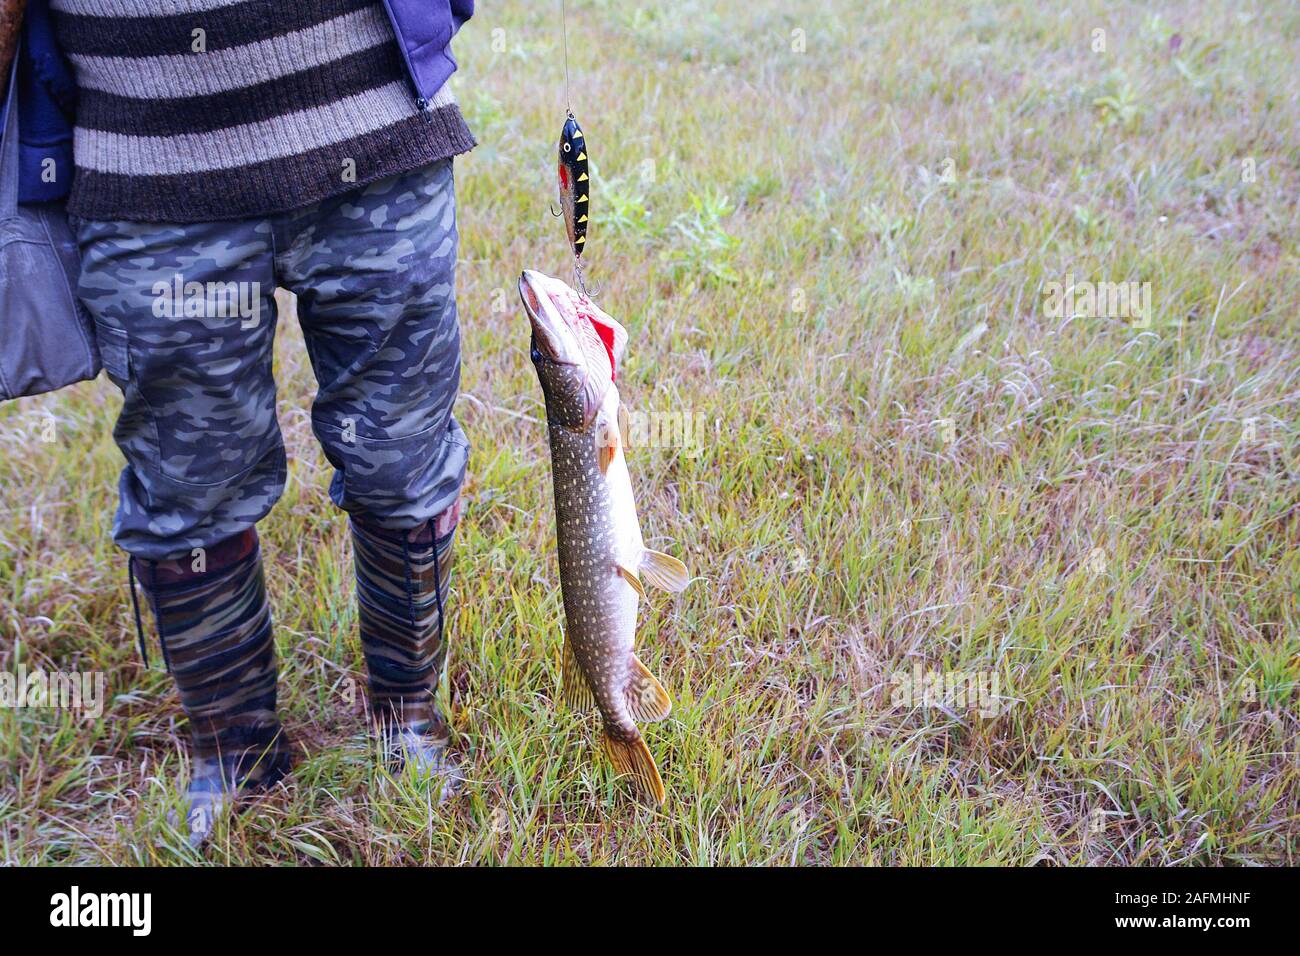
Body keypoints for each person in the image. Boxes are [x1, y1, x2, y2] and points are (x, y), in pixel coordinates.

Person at [2, 0, 476, 845]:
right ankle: (236, 755)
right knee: (190, 489)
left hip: (376, 131)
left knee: (402, 457)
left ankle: (406, 718)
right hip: (149, 175)